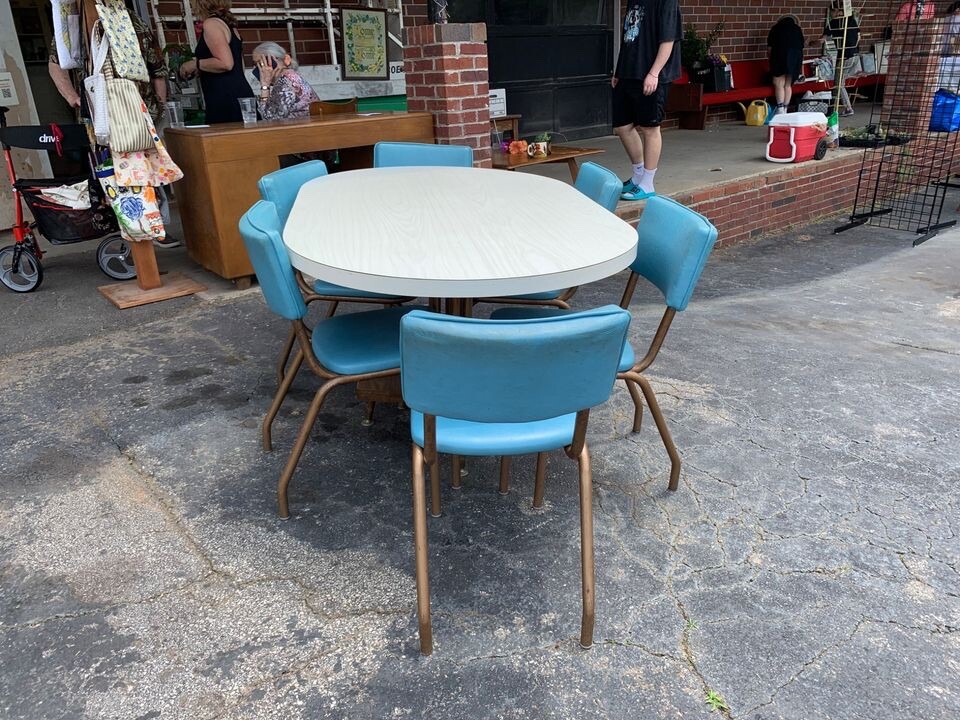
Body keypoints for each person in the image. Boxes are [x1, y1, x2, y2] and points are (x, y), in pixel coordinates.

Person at [47, 6, 180, 247]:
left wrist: (159, 106)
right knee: (110, 171)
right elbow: (56, 63)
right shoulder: (75, 22)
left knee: (145, 169)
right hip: (100, 115)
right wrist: (71, 97)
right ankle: (126, 225)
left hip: (140, 111)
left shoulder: (133, 20)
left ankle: (154, 225)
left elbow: (157, 68)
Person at [612, 0, 683, 201]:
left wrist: (654, 73)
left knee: (650, 128)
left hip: (651, 75)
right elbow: (628, 37)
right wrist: (619, 71)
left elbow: (668, 41)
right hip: (628, 73)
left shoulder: (667, 3)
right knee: (622, 126)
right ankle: (637, 175)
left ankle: (647, 183)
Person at [178, 0, 254, 124]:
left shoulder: (211, 24)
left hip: (224, 97)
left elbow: (226, 63)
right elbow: (240, 65)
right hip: (240, 92)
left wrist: (195, 64)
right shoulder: (229, 25)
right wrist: (204, 67)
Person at [251, 42, 319, 120]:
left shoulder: (284, 81)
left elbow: (270, 119)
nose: (256, 68)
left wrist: (265, 85)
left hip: (303, 129)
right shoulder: (289, 76)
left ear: (271, 62)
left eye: (259, 63)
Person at [823, 0, 860, 117]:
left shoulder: (834, 22)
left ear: (838, 11)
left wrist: (810, 43)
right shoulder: (852, 20)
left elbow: (822, 39)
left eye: (832, 11)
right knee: (839, 81)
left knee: (839, 83)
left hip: (844, 56)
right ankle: (835, 106)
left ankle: (847, 108)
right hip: (855, 54)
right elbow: (859, 36)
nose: (831, 14)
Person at [768, 15, 805, 116]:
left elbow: (770, 48)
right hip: (794, 58)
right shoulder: (797, 29)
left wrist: (770, 60)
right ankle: (785, 108)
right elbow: (801, 47)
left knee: (778, 83)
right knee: (788, 85)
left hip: (779, 56)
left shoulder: (776, 29)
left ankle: (780, 109)